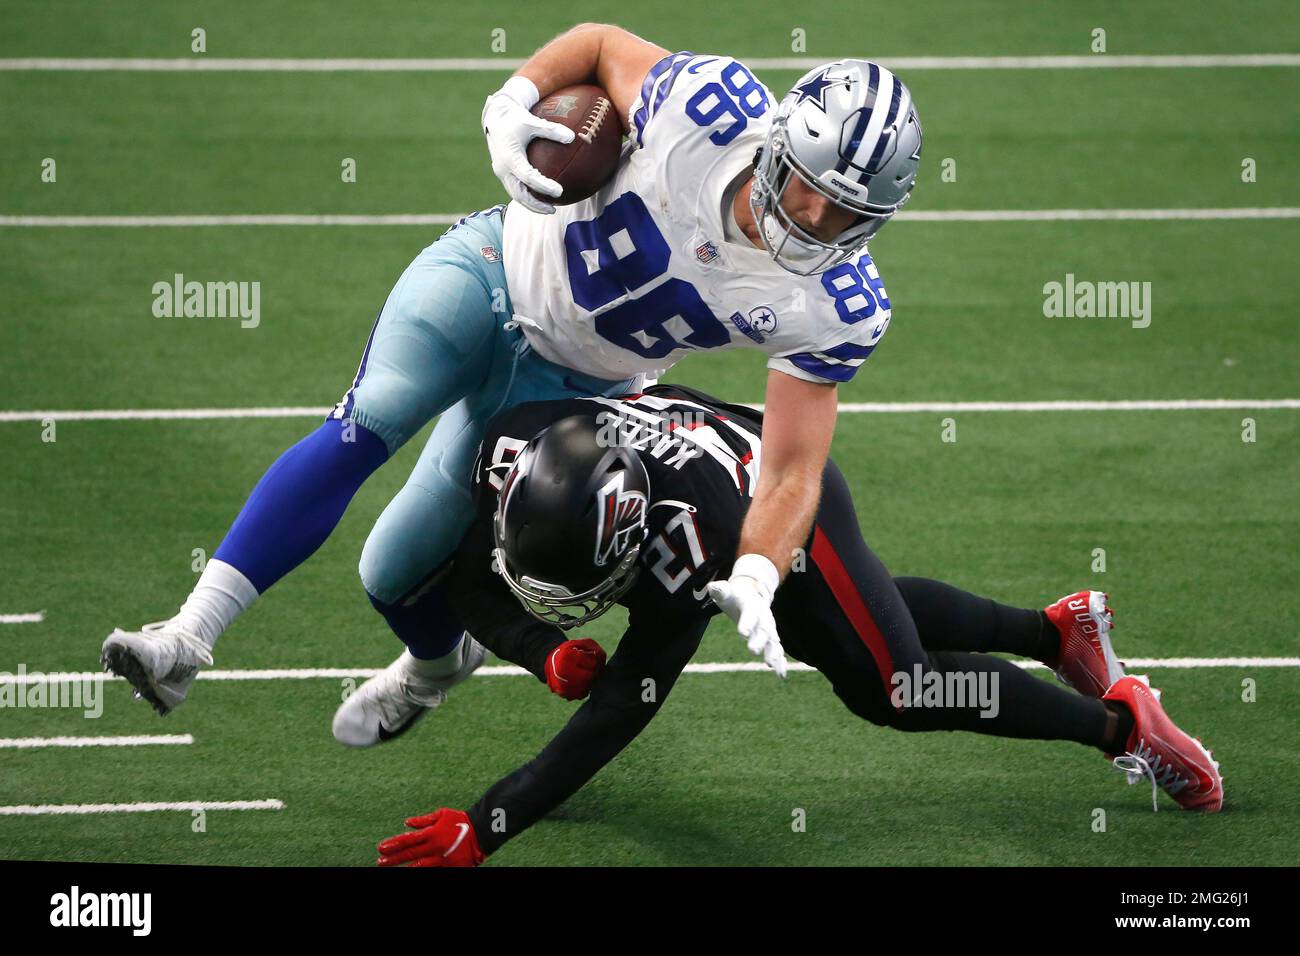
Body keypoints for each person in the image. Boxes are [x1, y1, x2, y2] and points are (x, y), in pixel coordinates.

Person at [102, 24, 925, 724]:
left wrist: (756, 568)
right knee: (368, 420)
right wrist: (513, 100)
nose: (816, 221)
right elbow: (599, 45)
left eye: (850, 212)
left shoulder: (839, 303)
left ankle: (432, 669)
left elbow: (789, 469)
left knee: (389, 570)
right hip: (497, 265)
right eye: (811, 190)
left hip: (579, 384)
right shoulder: (706, 110)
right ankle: (186, 636)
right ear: (777, 141)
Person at [365, 385, 1223, 867]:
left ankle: (1123, 726)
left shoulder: (683, 546)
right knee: (846, 626)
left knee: (896, 684)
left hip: (780, 505)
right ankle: (1057, 632)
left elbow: (623, 707)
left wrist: (492, 823)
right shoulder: (511, 456)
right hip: (711, 452)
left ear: (630, 538)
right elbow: (468, 580)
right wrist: (544, 649)